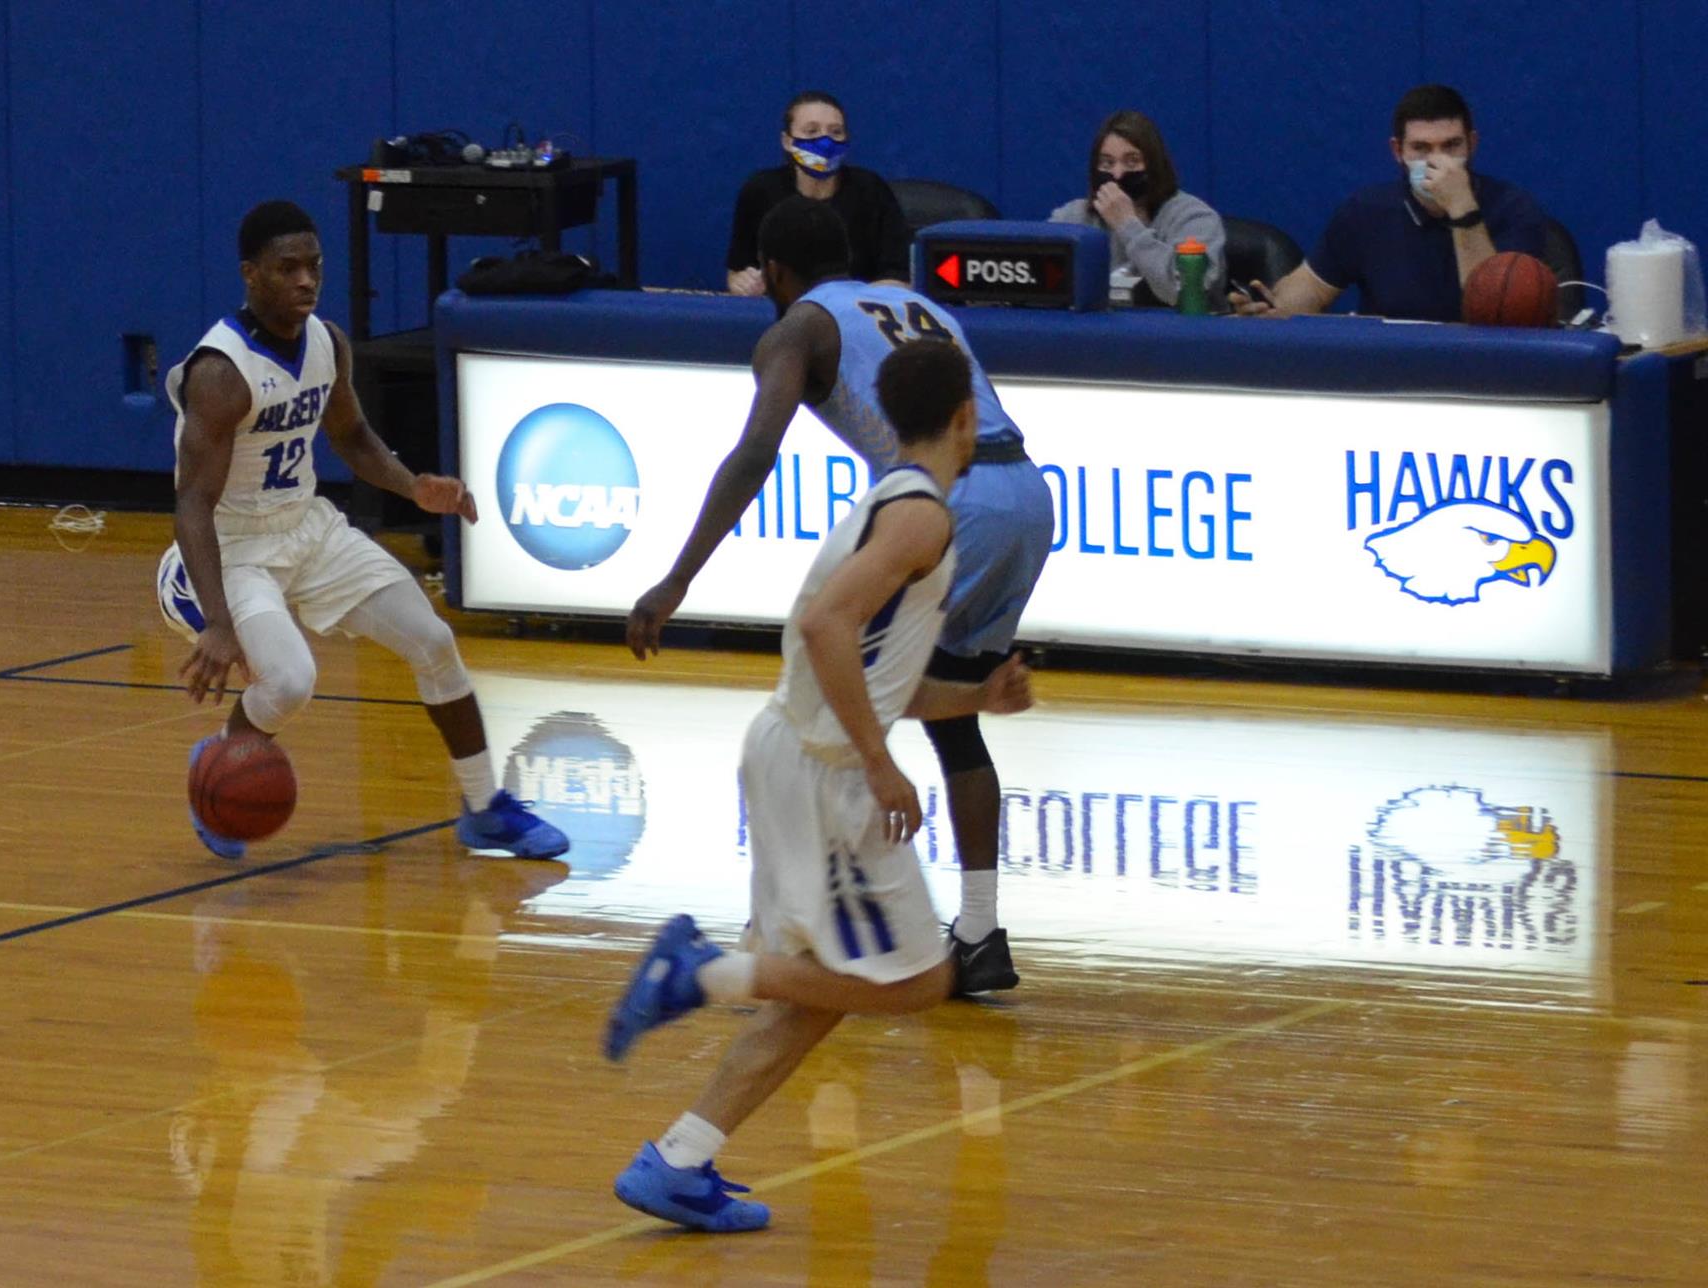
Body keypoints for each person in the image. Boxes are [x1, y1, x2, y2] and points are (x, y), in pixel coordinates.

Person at [604, 339, 1036, 1232]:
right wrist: (880, 761)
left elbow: (875, 670)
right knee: (919, 982)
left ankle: (679, 1160)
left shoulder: (887, 503)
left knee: (820, 984)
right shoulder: (922, 520)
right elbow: (826, 621)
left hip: (790, 748)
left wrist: (977, 696)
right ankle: (702, 972)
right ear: (967, 417)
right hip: (826, 772)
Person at [629, 196, 1054, 995]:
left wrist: (678, 575)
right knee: (957, 713)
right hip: (1028, 494)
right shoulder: (911, 299)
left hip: (947, 506)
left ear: (776, 273)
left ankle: (824, 918)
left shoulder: (797, 328)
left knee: (843, 697)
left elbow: (756, 452)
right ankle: (979, 929)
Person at [156, 200, 567, 862]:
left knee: (433, 641)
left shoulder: (328, 341)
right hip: (235, 547)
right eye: (286, 268)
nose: (305, 281)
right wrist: (220, 622)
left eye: (314, 266)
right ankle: (220, 770)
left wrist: (412, 485)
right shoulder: (221, 372)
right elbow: (193, 505)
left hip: (308, 527)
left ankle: (485, 809)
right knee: (290, 683)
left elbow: (349, 435)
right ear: (250, 275)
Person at [1230, 84, 1549, 321]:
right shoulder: (1366, 211)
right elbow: (1312, 289)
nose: (1437, 160)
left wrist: (1462, 209)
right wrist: (1272, 308)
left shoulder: (1514, 210)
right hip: (1391, 374)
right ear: (1398, 152)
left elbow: (1497, 315)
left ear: (1473, 144)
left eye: (1452, 146)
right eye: (1421, 148)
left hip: (1487, 372)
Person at [725, 91, 912, 296]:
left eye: (836, 132)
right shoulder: (761, 191)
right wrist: (744, 284)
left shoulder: (871, 191)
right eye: (811, 131)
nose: (825, 142)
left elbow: (900, 280)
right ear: (787, 141)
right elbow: (737, 273)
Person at [1049, 110, 1225, 308]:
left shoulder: (1195, 217)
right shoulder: (1073, 216)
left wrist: (1128, 226)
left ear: (1154, 165)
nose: (1117, 174)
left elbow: (1183, 293)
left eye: (1132, 161)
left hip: (1171, 334)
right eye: (1107, 163)